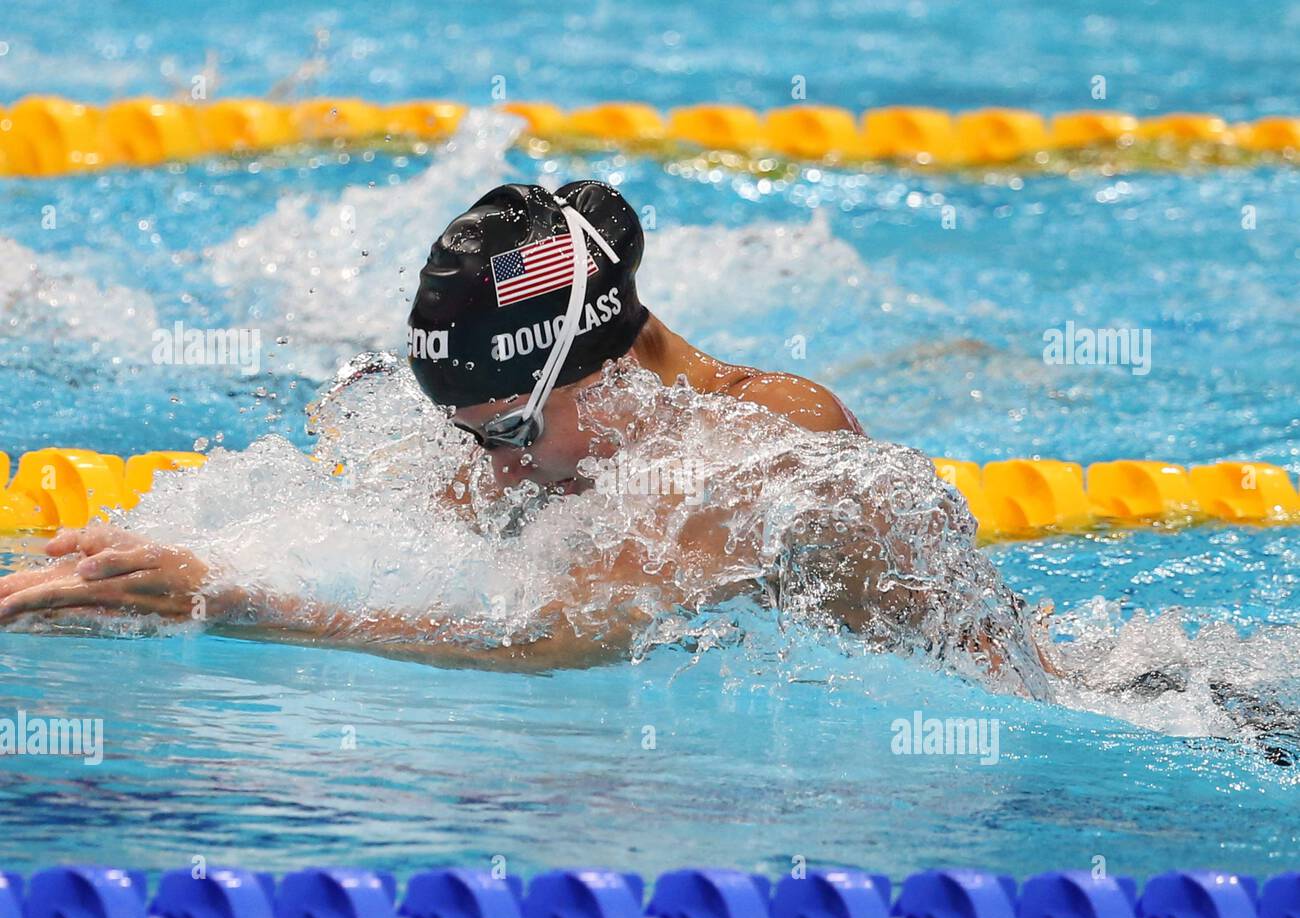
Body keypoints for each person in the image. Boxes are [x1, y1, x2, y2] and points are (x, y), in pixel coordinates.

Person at [0, 182, 1049, 688]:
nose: (495, 467)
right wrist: (111, 568)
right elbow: (373, 541)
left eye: (507, 428)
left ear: (587, 368)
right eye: (472, 437)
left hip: (1057, 727)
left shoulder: (756, 452)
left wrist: (234, 604)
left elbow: (549, 639)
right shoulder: (567, 437)